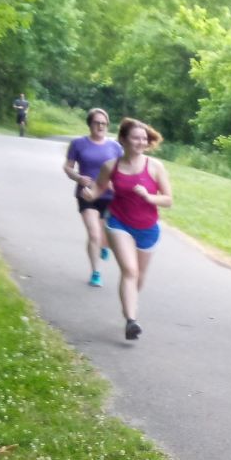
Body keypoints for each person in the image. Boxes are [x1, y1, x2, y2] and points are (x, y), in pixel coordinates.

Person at [80, 118, 172, 341]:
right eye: (135, 138)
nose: (141, 142)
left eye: (144, 138)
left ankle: (129, 306)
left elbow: (168, 200)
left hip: (148, 228)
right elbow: (99, 187)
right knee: (129, 271)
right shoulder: (111, 166)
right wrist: (90, 195)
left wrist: (149, 197)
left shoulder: (155, 167)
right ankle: (131, 320)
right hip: (119, 223)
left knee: (138, 277)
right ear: (123, 139)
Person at [63, 109, 122, 287]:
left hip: (109, 196)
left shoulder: (115, 147)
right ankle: (96, 272)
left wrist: (116, 184)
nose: (100, 126)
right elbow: (67, 167)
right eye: (97, 122)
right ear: (90, 124)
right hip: (87, 194)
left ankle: (104, 245)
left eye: (104, 123)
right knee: (94, 234)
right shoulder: (78, 144)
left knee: (105, 236)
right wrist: (78, 177)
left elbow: (122, 170)